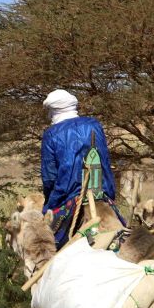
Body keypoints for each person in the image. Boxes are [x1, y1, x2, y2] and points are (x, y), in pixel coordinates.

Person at [40, 89, 117, 247]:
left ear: (53, 111)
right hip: (101, 193)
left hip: (68, 197)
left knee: (45, 243)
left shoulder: (51, 134)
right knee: (122, 229)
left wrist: (49, 203)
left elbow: (50, 177)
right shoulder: (95, 125)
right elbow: (104, 161)